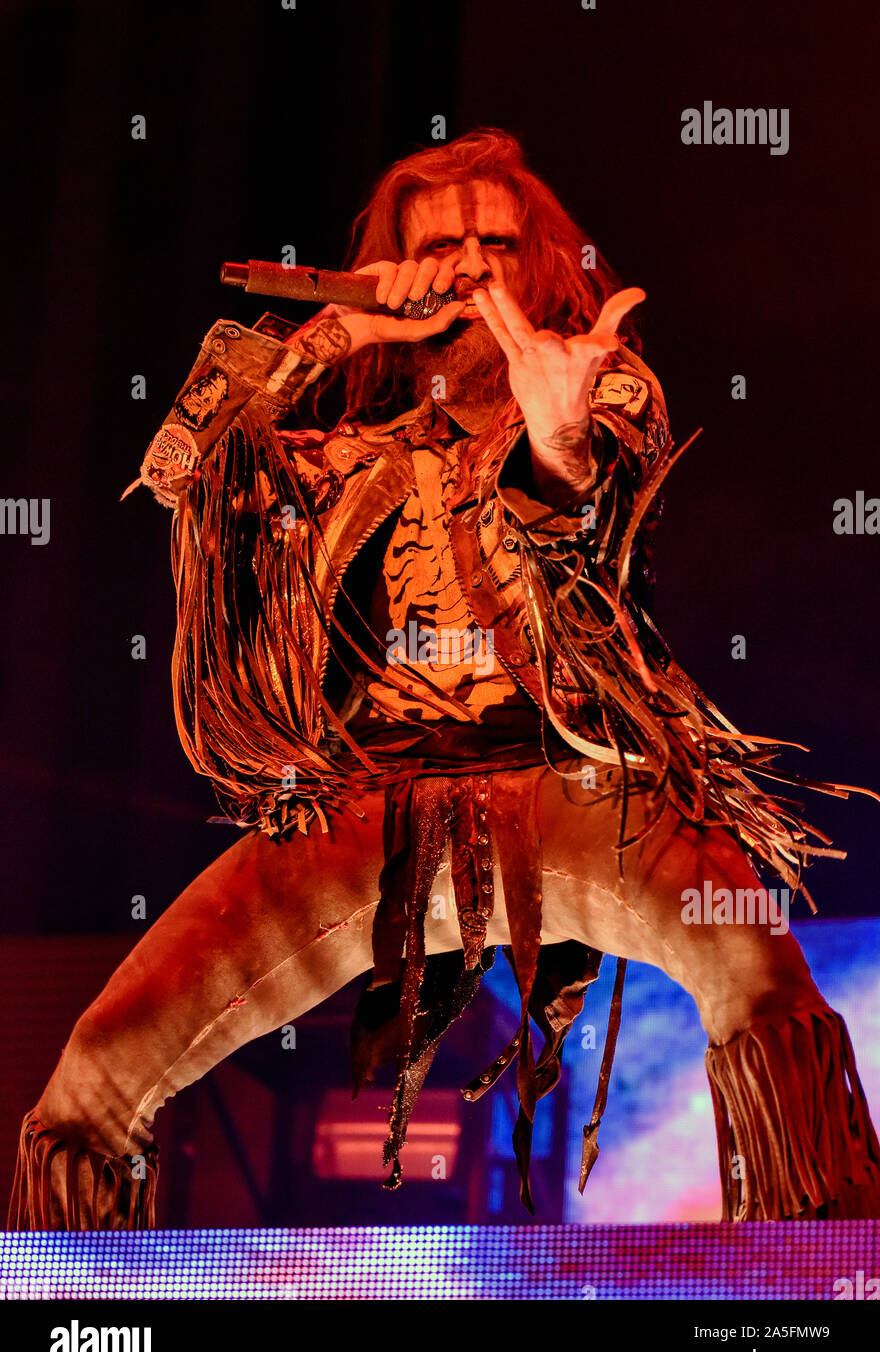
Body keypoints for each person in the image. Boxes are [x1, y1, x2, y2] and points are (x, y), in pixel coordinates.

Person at [9, 129, 879, 1231]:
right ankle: (68, 1315)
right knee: (97, 1064)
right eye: (441, 246)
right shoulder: (346, 450)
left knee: (756, 974)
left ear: (542, 264)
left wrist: (556, 439)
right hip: (366, 815)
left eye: (495, 244)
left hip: (580, 789)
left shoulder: (596, 382)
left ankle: (821, 1277)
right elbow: (179, 472)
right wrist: (336, 330)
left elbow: (585, 483)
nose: (469, 266)